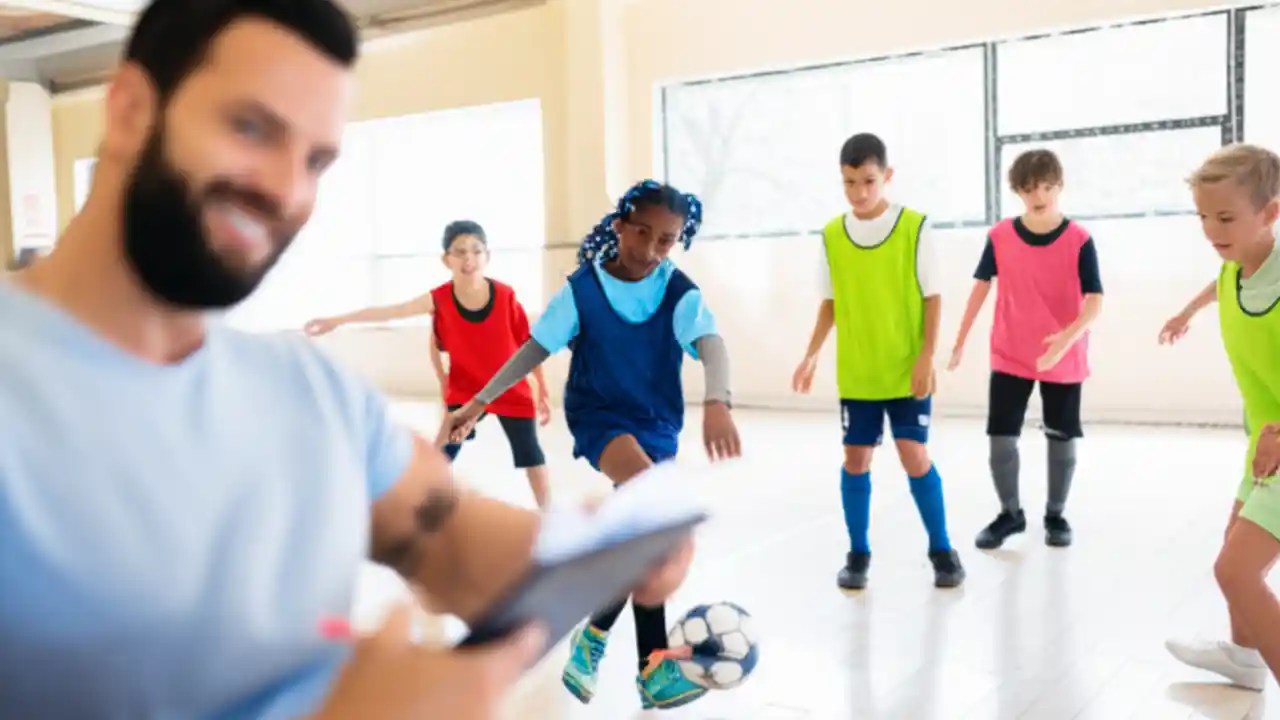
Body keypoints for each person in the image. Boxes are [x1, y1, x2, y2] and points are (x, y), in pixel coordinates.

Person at [0, 2, 688, 718]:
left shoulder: (306, 391)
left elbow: (449, 536)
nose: (285, 189)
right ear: (132, 108)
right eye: (250, 127)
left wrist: (605, 551)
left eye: (315, 160)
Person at [439, 179, 741, 710]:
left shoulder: (678, 291)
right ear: (619, 225)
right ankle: (601, 643)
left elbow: (712, 347)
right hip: (599, 415)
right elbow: (532, 350)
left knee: (646, 535)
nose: (650, 248)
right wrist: (480, 402)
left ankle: (632, 660)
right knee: (651, 509)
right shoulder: (583, 290)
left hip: (656, 425)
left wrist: (718, 400)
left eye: (665, 240)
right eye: (640, 232)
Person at [792, 132, 964, 591]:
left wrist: (927, 355)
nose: (859, 192)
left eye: (868, 180)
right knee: (856, 459)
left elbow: (933, 297)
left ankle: (942, 549)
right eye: (849, 182)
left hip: (907, 367)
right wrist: (810, 355)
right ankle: (858, 553)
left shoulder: (914, 227)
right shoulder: (831, 235)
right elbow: (830, 303)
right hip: (859, 372)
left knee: (914, 455)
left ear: (886, 176)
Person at [304, 220, 554, 508]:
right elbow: (392, 311)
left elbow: (529, 344)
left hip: (510, 390)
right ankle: (414, 508)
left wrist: (543, 388)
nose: (468, 258)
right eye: (459, 252)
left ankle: (550, 516)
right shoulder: (438, 299)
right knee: (442, 454)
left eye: (476, 250)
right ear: (446, 259)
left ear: (487, 256)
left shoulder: (506, 296)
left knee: (531, 455)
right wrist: (337, 320)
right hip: (466, 390)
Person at [1165, 144, 1280, 692]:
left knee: (1234, 571)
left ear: (1271, 213)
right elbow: (1226, 285)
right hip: (1262, 442)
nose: (1212, 229)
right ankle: (1244, 658)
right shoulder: (1237, 268)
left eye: (1226, 217)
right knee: (1235, 546)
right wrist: (1188, 310)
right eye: (1203, 217)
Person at [948, 149, 1104, 549]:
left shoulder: (1079, 240)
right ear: (1017, 190)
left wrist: (1065, 339)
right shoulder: (999, 236)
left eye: (1048, 186)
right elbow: (980, 288)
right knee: (1001, 437)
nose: (1040, 195)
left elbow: (1094, 301)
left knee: (1061, 437)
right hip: (1010, 352)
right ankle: (1010, 514)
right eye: (1030, 188)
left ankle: (1055, 514)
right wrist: (960, 340)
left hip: (1063, 357)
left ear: (1060, 186)